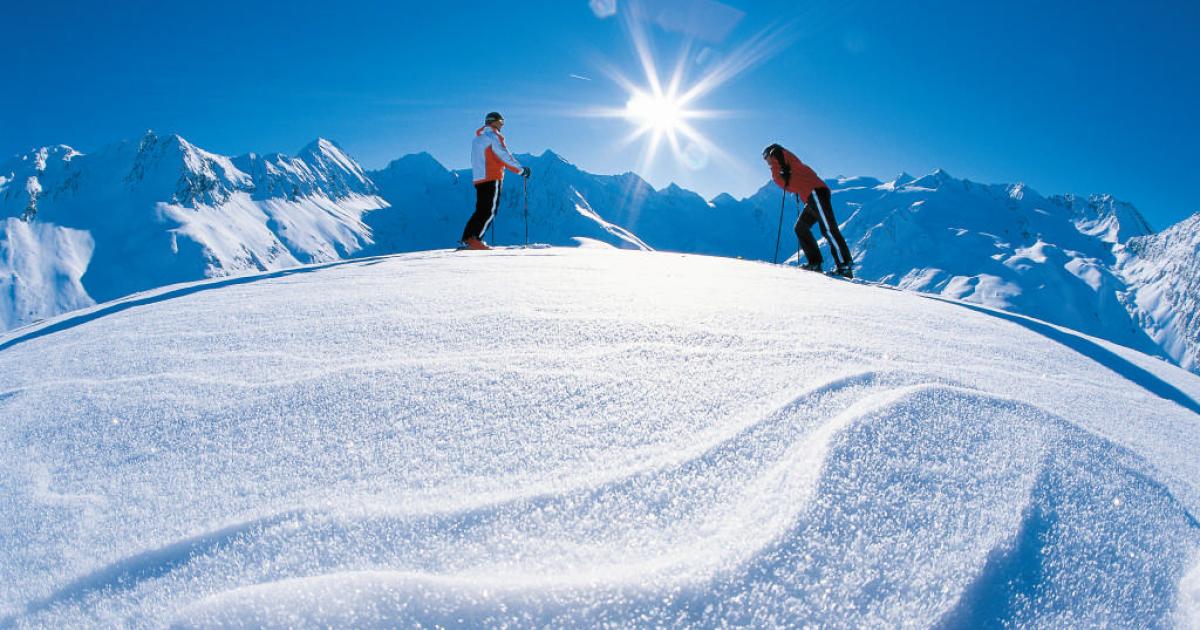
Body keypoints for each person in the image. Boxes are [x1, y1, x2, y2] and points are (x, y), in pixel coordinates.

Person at [762, 143, 854, 278]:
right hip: (810, 197)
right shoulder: (788, 163)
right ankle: (815, 263)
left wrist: (783, 168)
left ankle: (844, 265)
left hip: (816, 193)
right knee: (800, 227)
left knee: (828, 229)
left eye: (765, 157)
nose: (766, 161)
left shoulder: (778, 156)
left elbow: (777, 151)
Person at [460, 112, 531, 250]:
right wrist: (521, 170)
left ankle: (467, 239)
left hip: (479, 178)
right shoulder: (494, 137)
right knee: (489, 210)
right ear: (495, 122)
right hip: (492, 177)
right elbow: (504, 156)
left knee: (480, 210)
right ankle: (474, 239)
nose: (502, 125)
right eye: (501, 122)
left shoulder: (478, 139)